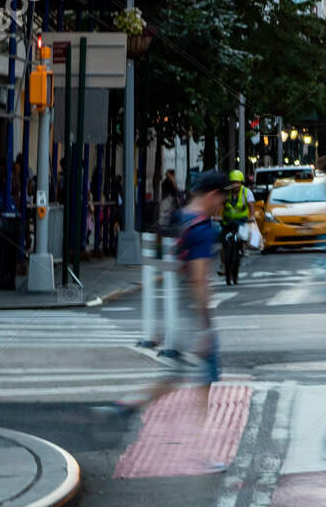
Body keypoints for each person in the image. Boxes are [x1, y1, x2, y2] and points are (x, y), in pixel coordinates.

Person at [97, 170, 229, 473]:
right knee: (203, 385)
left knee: (173, 378)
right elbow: (198, 279)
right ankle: (197, 452)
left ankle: (123, 407)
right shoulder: (202, 227)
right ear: (211, 194)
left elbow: (162, 270)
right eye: (222, 197)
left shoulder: (178, 218)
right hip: (194, 317)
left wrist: (160, 323)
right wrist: (206, 325)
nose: (222, 204)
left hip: (176, 314)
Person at [217, 170, 254, 286]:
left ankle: (242, 247)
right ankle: (223, 264)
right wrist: (216, 216)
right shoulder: (226, 193)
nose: (235, 185)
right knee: (223, 241)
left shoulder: (246, 192)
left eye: (237, 182)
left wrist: (252, 217)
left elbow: (251, 205)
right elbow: (219, 205)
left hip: (241, 221)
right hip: (227, 222)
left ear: (241, 183)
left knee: (242, 239)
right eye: (233, 182)